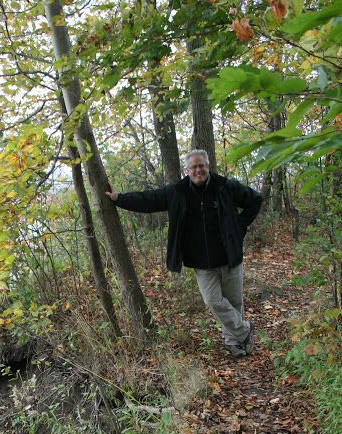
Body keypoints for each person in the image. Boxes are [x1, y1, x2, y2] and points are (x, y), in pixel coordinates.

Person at [106, 150, 263, 357]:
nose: (198, 170)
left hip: (230, 257)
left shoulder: (225, 186)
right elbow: (150, 199)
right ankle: (245, 331)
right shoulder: (177, 192)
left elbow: (255, 200)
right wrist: (119, 199)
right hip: (202, 263)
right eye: (194, 167)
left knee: (234, 302)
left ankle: (234, 341)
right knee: (213, 301)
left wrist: (239, 227)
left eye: (202, 165)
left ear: (208, 166)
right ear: (187, 170)